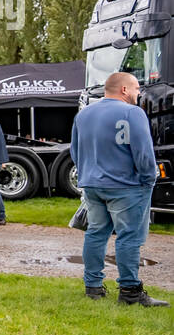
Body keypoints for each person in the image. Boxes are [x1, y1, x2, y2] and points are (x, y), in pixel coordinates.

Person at [70, 71, 167, 307]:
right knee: (129, 238)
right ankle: (130, 291)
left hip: (92, 184)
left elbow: (75, 150)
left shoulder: (84, 115)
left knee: (95, 234)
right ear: (123, 89)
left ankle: (93, 287)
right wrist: (148, 179)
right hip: (126, 186)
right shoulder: (133, 113)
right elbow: (144, 152)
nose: (138, 93)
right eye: (135, 88)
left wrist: (86, 174)